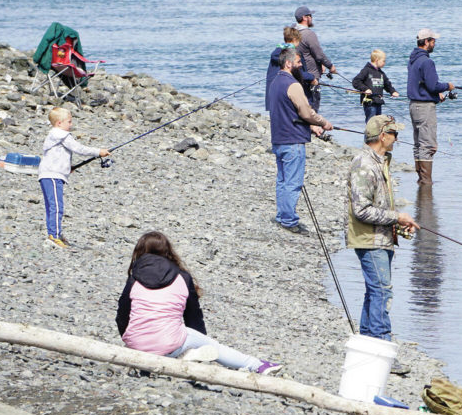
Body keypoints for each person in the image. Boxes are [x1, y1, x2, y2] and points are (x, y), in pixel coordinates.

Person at [116, 231, 281, 374]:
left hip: (136, 344)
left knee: (170, 336)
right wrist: (199, 342)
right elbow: (193, 316)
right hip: (168, 343)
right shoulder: (182, 277)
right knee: (213, 345)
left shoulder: (134, 279)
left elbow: (122, 316)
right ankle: (257, 365)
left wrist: (130, 340)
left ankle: (170, 354)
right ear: (168, 251)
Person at [346, 114, 420, 375]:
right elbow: (361, 210)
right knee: (381, 292)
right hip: (370, 240)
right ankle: (381, 351)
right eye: (394, 134)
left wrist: (397, 223)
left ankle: (367, 347)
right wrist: (396, 216)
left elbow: (378, 206)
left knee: (374, 291)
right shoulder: (364, 164)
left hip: (382, 238)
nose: (397, 138)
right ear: (382, 136)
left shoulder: (381, 162)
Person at [268, 47, 332, 234]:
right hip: (293, 140)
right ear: (288, 63)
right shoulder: (293, 85)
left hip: (278, 139)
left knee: (282, 180)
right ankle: (288, 220)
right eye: (297, 62)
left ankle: (282, 216)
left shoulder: (274, 82)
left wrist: (312, 126)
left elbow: (287, 111)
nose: (300, 66)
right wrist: (323, 122)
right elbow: (306, 112)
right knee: (293, 182)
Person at [37, 107, 110, 248]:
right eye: (69, 122)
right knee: (57, 207)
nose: (71, 125)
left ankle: (54, 234)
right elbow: (80, 149)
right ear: (59, 123)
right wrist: (98, 152)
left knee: (51, 206)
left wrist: (67, 168)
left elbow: (57, 156)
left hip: (48, 174)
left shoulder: (53, 135)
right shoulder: (61, 135)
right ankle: (54, 236)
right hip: (52, 175)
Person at [406, 28, 454, 185]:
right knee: (428, 145)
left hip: (414, 106)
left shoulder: (413, 59)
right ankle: (426, 183)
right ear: (426, 42)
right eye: (433, 41)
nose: (434, 44)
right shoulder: (427, 62)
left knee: (419, 144)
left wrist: (435, 95)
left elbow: (422, 84)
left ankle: (421, 181)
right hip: (425, 108)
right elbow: (433, 85)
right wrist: (447, 86)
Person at [294, 6, 337, 112]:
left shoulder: (293, 33)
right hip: (311, 75)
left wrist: (321, 64)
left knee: (302, 106)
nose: (311, 18)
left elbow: (307, 52)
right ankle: (312, 127)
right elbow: (319, 54)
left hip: (299, 74)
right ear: (305, 17)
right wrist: (330, 66)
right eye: (310, 16)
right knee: (313, 106)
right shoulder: (309, 34)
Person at [351, 49, 400, 122]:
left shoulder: (381, 73)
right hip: (369, 103)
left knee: (379, 124)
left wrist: (392, 91)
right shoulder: (366, 70)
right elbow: (356, 81)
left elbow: (387, 84)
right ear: (377, 60)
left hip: (378, 102)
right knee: (371, 124)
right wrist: (365, 89)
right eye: (383, 61)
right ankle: (368, 134)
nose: (384, 63)